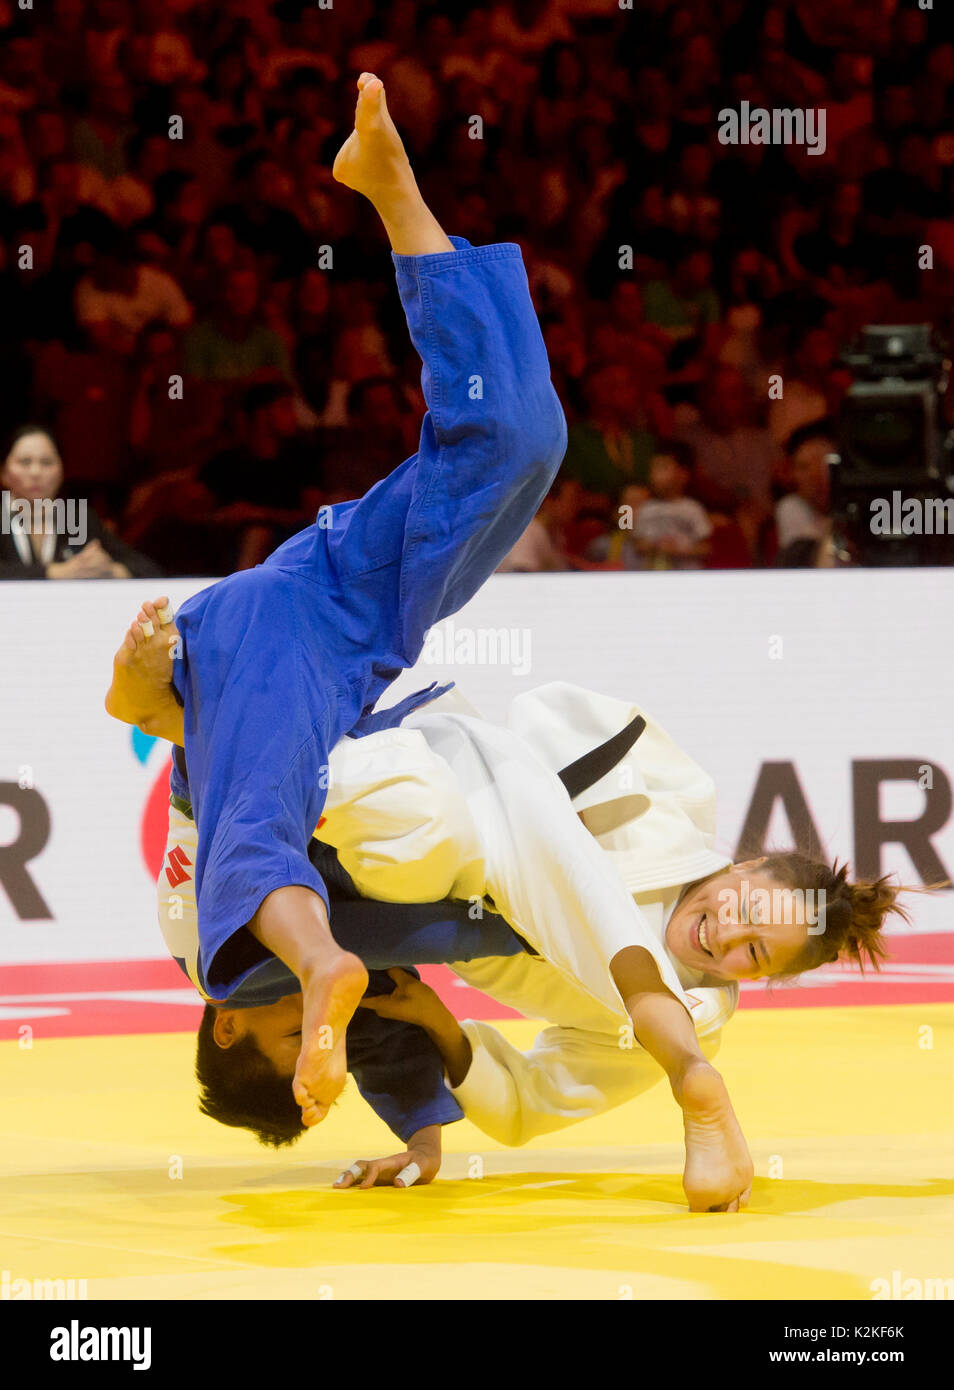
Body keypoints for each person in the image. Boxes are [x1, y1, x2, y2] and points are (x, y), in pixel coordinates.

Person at [104, 74, 567, 1142]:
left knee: (253, 846)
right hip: (351, 631)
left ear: (224, 1025)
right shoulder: (263, 961)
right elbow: (388, 1010)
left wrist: (143, 672)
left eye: (289, 1042)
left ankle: (319, 970)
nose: (321, 1050)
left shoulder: (194, 934)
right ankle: (399, 200)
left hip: (267, 662)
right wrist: (422, 1131)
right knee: (519, 443)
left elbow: (150, 721)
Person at [0, 424, 161, 580]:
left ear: (62, 472)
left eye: (47, 462)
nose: (36, 472)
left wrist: (110, 571)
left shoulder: (80, 519)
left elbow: (147, 568)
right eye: (25, 462)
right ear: (4, 473)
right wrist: (53, 573)